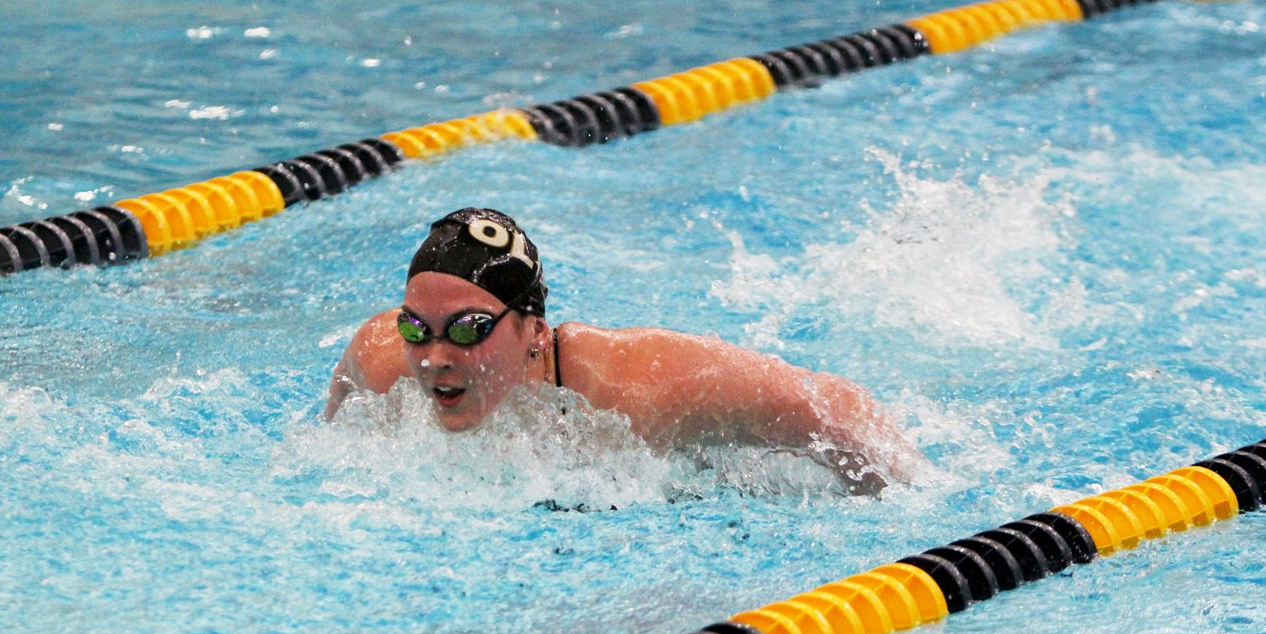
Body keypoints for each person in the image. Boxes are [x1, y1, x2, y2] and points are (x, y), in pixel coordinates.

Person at [324, 207, 918, 494]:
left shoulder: (635, 390)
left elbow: (835, 407)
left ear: (533, 330)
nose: (432, 357)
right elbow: (337, 413)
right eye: (416, 328)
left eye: (467, 329)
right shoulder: (383, 363)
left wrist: (899, 505)